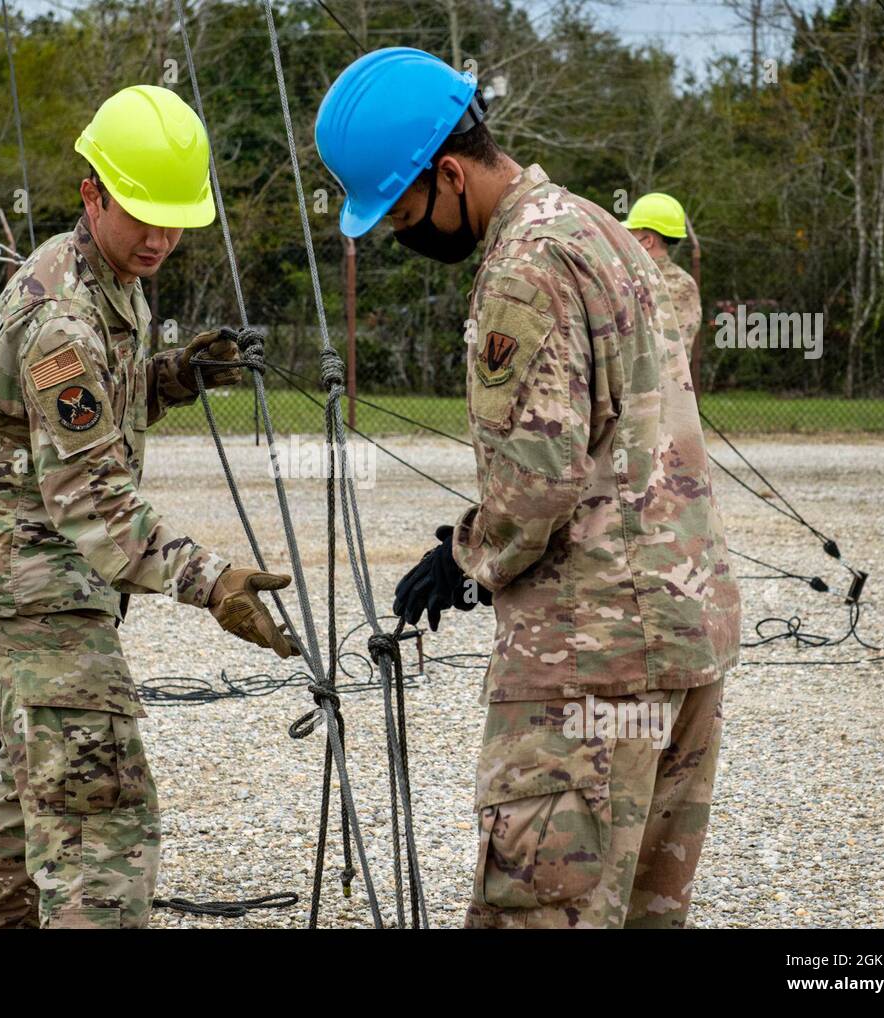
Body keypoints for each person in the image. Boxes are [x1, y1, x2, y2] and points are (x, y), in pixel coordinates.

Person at [315, 48, 740, 928]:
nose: (401, 235)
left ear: (449, 173)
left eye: (400, 213)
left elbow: (539, 480)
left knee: (541, 908)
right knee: (641, 911)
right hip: (681, 643)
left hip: (588, 667)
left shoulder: (525, 267)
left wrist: (466, 560)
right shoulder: (601, 231)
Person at [0, 85, 298, 930]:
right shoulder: (62, 322)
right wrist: (212, 581)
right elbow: (93, 505)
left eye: (175, 219)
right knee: (100, 817)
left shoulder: (107, 276)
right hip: (44, 589)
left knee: (33, 797)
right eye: (142, 215)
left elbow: (96, 409)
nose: (160, 238)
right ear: (92, 194)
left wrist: (176, 372)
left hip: (39, 585)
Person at [623, 192, 702, 359]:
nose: (625, 242)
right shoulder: (634, 278)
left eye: (631, 235)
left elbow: (669, 353)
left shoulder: (678, 285)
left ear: (648, 241)